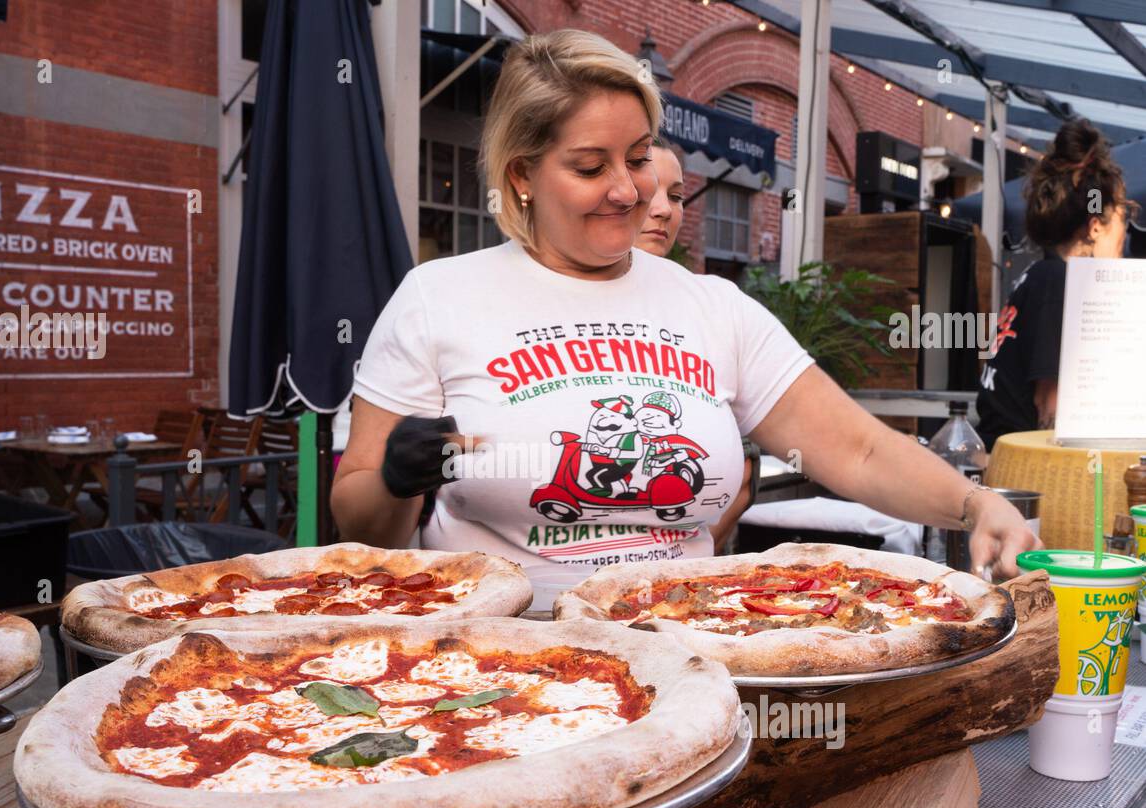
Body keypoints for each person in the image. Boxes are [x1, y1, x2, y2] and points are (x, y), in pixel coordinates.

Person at [332, 29, 1038, 608]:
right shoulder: (438, 296)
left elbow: (854, 449)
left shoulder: (710, 305)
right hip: (503, 665)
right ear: (521, 174)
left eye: (638, 158)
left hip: (688, 647)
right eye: (588, 166)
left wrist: (976, 506)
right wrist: (398, 478)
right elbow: (359, 522)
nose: (626, 190)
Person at [976, 119, 1133, 450]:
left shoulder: (1040, 275)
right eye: (1123, 217)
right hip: (1024, 473)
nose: (1126, 233)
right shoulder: (1059, 285)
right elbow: (1049, 409)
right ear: (1094, 227)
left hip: (1001, 458)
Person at [635, 138, 755, 551]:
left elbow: (744, 477)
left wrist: (689, 559)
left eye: (675, 195)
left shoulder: (712, 306)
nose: (664, 209)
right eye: (648, 191)